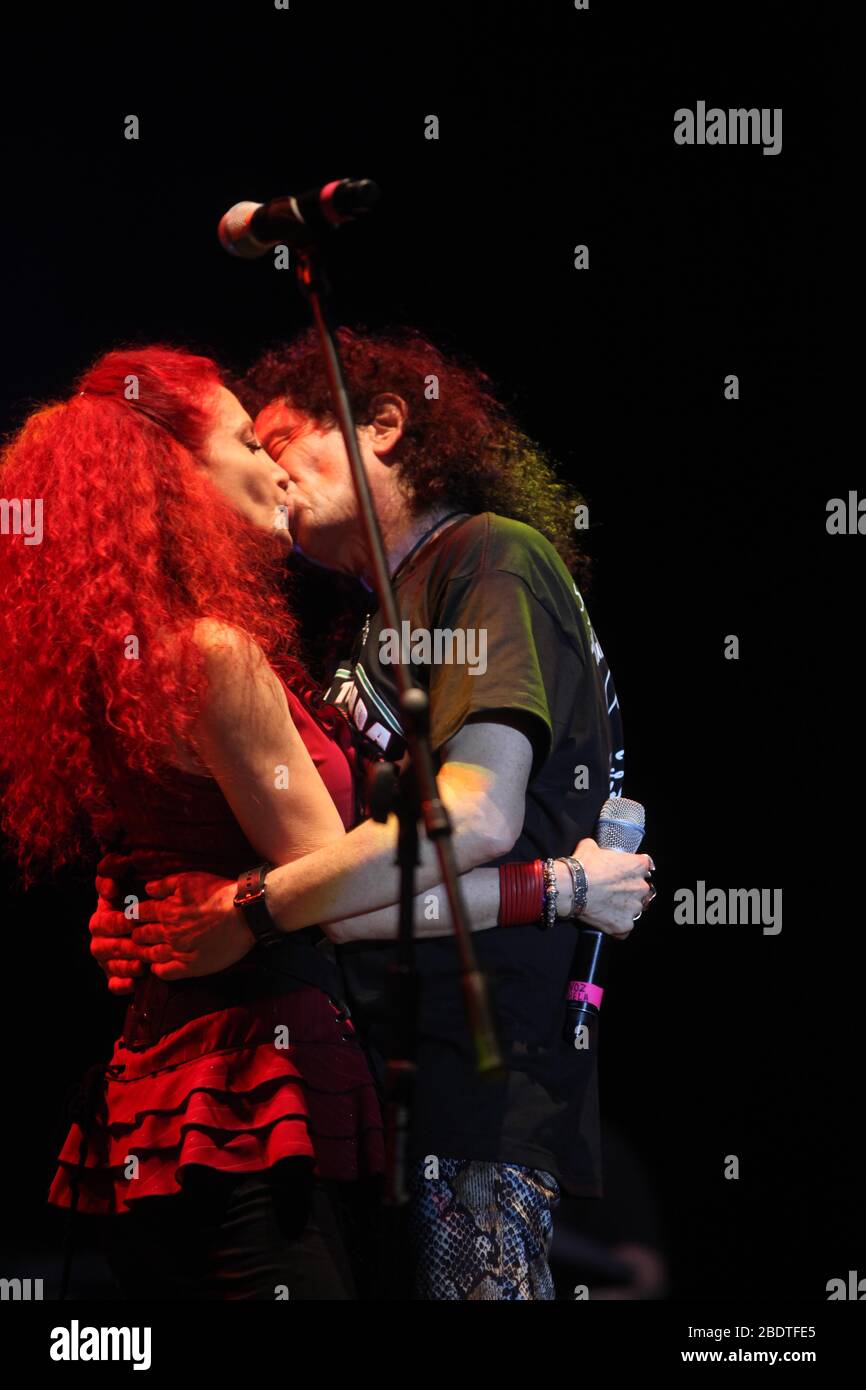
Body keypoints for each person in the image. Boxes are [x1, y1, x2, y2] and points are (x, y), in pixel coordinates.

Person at [0, 343, 632, 1300]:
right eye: (251, 444)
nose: (274, 466)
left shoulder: (487, 555)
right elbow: (333, 875)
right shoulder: (342, 631)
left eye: (282, 437)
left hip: (468, 1070)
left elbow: (478, 811)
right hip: (343, 1078)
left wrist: (244, 909)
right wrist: (566, 888)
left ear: (384, 427)